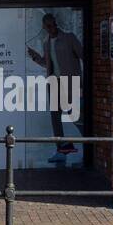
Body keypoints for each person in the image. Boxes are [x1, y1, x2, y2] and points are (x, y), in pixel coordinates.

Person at [27, 13, 84, 164]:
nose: (52, 28)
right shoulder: (47, 43)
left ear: (56, 23)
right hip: (54, 84)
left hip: (70, 83)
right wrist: (35, 57)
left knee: (76, 117)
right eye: (49, 26)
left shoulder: (69, 38)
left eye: (53, 25)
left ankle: (91, 150)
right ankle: (61, 151)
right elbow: (48, 64)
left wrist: (83, 82)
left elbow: (84, 56)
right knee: (55, 119)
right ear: (44, 27)